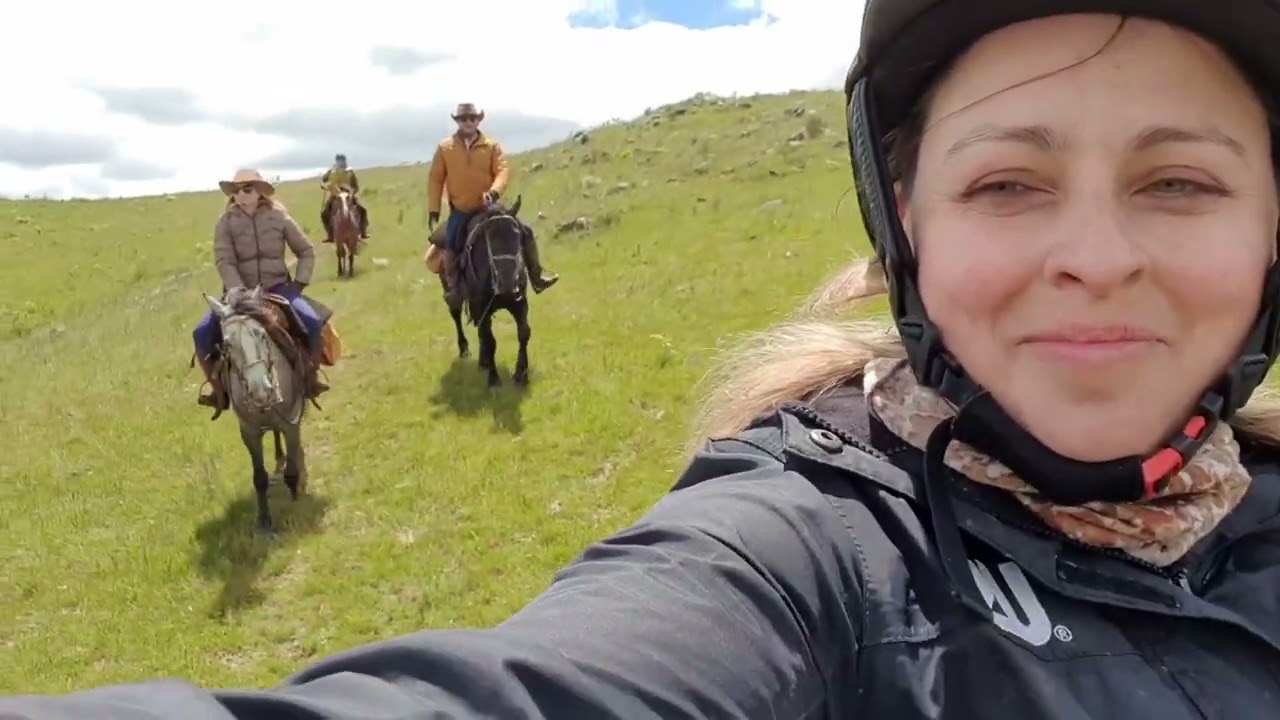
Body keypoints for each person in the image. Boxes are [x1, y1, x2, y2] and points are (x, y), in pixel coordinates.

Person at [6, 4, 1280, 717]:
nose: (1096, 256)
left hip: (373, 246)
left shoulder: (463, 162)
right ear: (906, 224)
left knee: (409, 269)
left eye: (1179, 181)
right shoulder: (798, 551)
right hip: (271, 282)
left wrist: (473, 202)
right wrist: (286, 273)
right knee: (276, 312)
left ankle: (321, 349)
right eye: (1007, 181)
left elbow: (483, 186)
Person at [192, 169, 330, 414]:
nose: (241, 195)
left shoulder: (280, 217)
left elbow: (306, 250)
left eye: (247, 189)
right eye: (236, 191)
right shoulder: (225, 223)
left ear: (260, 192)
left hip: (277, 288)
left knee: (313, 321)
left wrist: (298, 284)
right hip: (238, 294)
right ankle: (218, 391)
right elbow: (225, 260)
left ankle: (310, 378)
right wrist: (238, 291)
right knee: (202, 333)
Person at [427, 102, 559, 304]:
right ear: (458, 122)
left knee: (524, 231)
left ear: (479, 120)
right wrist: (434, 208)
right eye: (464, 119)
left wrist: (494, 191)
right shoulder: (446, 148)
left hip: (489, 207)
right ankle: (454, 289)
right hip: (461, 210)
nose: (468, 122)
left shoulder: (491, 146)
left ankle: (536, 277)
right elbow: (436, 178)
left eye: (472, 118)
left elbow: (502, 171)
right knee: (451, 243)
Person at [320, 153, 369, 242]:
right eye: (339, 161)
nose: (341, 162)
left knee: (363, 210)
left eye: (342, 160)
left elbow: (355, 186)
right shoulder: (331, 171)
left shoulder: (350, 172)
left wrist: (352, 193)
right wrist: (323, 185)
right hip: (335, 196)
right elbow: (323, 180)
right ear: (336, 161)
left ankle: (363, 232)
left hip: (348, 195)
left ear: (345, 161)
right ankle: (330, 235)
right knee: (324, 213)